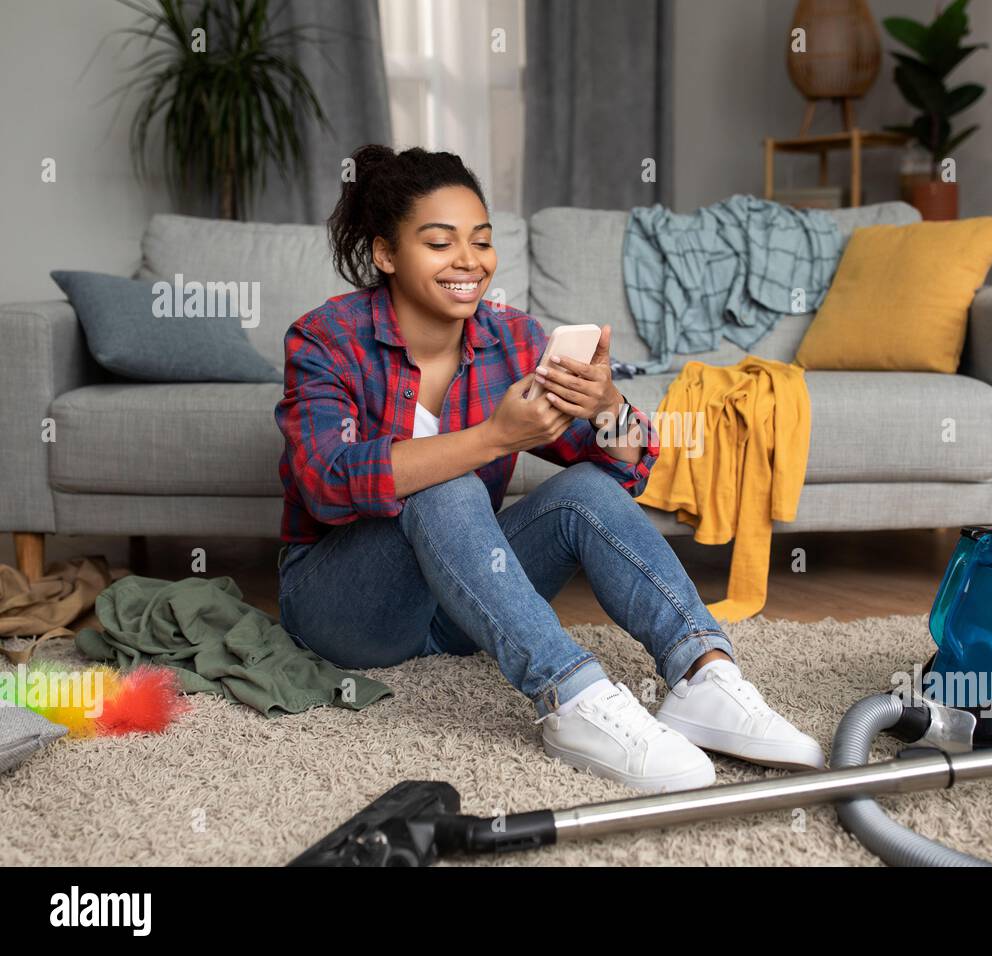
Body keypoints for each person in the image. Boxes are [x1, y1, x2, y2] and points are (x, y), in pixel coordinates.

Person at [274, 144, 825, 793]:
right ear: (387, 254)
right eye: (439, 242)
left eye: (481, 241)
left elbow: (623, 471)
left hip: (460, 602)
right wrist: (492, 437)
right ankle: (572, 697)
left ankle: (703, 676)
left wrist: (608, 408)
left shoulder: (509, 338)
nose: (469, 261)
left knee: (584, 490)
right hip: (349, 608)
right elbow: (327, 478)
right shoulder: (325, 337)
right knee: (443, 482)